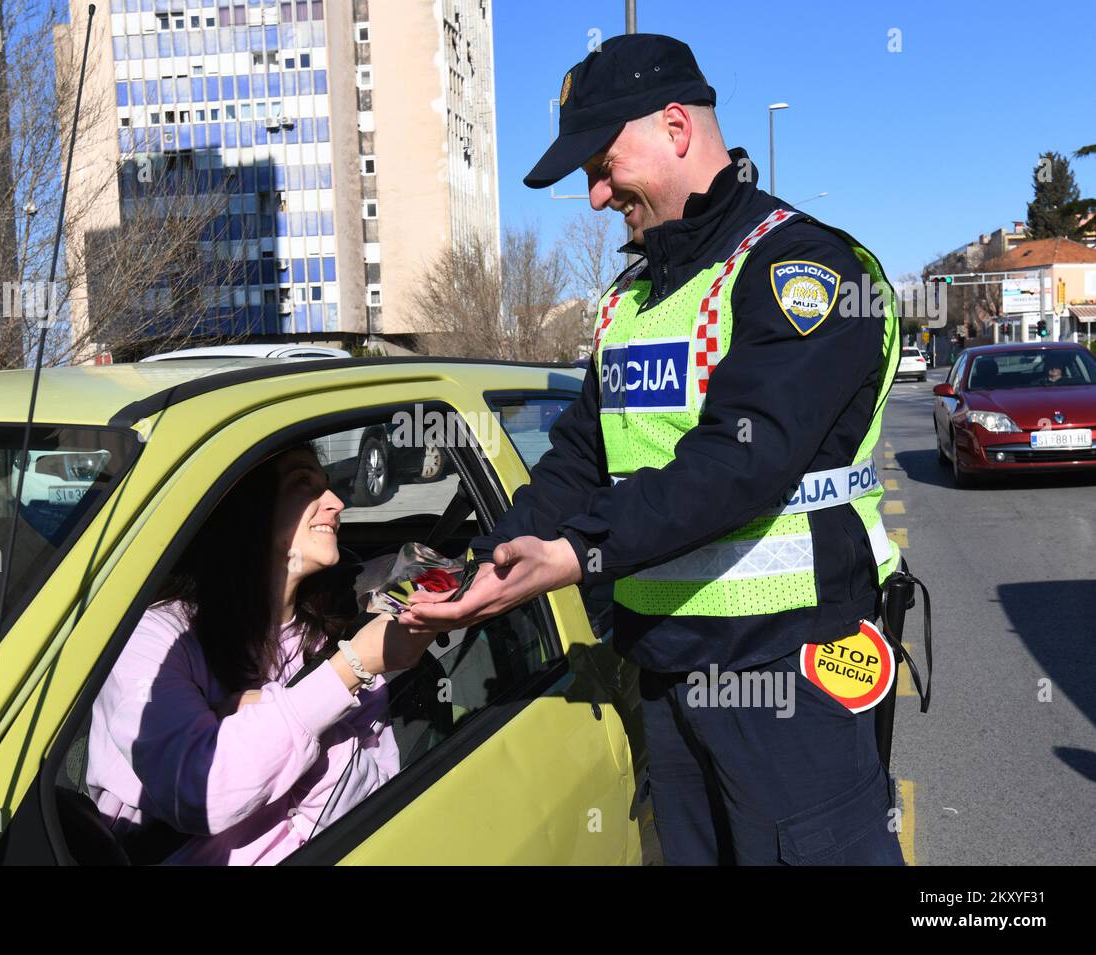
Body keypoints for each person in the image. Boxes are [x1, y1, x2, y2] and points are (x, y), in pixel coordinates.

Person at [403, 34, 906, 865]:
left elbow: (740, 462)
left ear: (676, 126)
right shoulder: (632, 301)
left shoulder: (805, 269)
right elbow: (577, 460)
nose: (596, 195)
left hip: (786, 682)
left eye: (603, 164)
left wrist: (577, 552)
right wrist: (480, 570)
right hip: (666, 681)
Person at [88, 442, 437, 864]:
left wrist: (258, 710)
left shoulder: (336, 636)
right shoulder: (157, 637)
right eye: (304, 486)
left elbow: (372, 800)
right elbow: (201, 792)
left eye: (326, 486)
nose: (336, 502)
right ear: (246, 508)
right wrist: (342, 677)